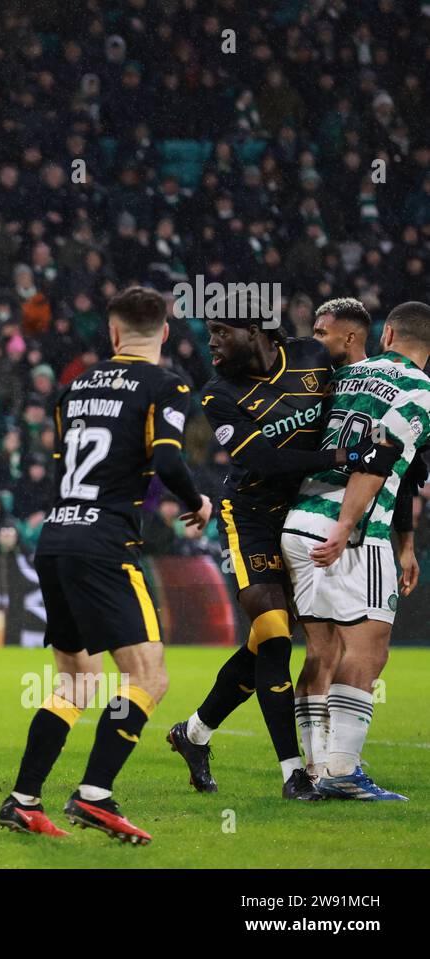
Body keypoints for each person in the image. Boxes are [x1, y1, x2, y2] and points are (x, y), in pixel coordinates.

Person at [0, 287, 213, 844]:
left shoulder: (72, 389)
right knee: (149, 676)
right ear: (164, 333)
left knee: (77, 680)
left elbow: (60, 467)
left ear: (113, 333)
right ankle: (94, 794)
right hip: (104, 544)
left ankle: (24, 800)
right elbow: (167, 458)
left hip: (57, 537)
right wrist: (196, 503)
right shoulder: (165, 385)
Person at [167, 299, 391, 800]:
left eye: (222, 331)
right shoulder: (218, 394)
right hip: (248, 516)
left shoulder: (312, 357)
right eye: (209, 334)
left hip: (305, 517)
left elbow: (360, 394)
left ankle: (194, 733)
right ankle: (294, 773)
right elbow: (264, 460)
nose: (213, 343)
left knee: (267, 647)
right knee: (272, 635)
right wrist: (348, 454)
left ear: (258, 331)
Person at [281, 300, 430, 800]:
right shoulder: (418, 388)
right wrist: (346, 526)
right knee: (368, 648)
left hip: (298, 521)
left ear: (387, 334)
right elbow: (380, 458)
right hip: (349, 532)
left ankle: (317, 769)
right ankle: (344, 771)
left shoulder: (349, 373)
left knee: (322, 650)